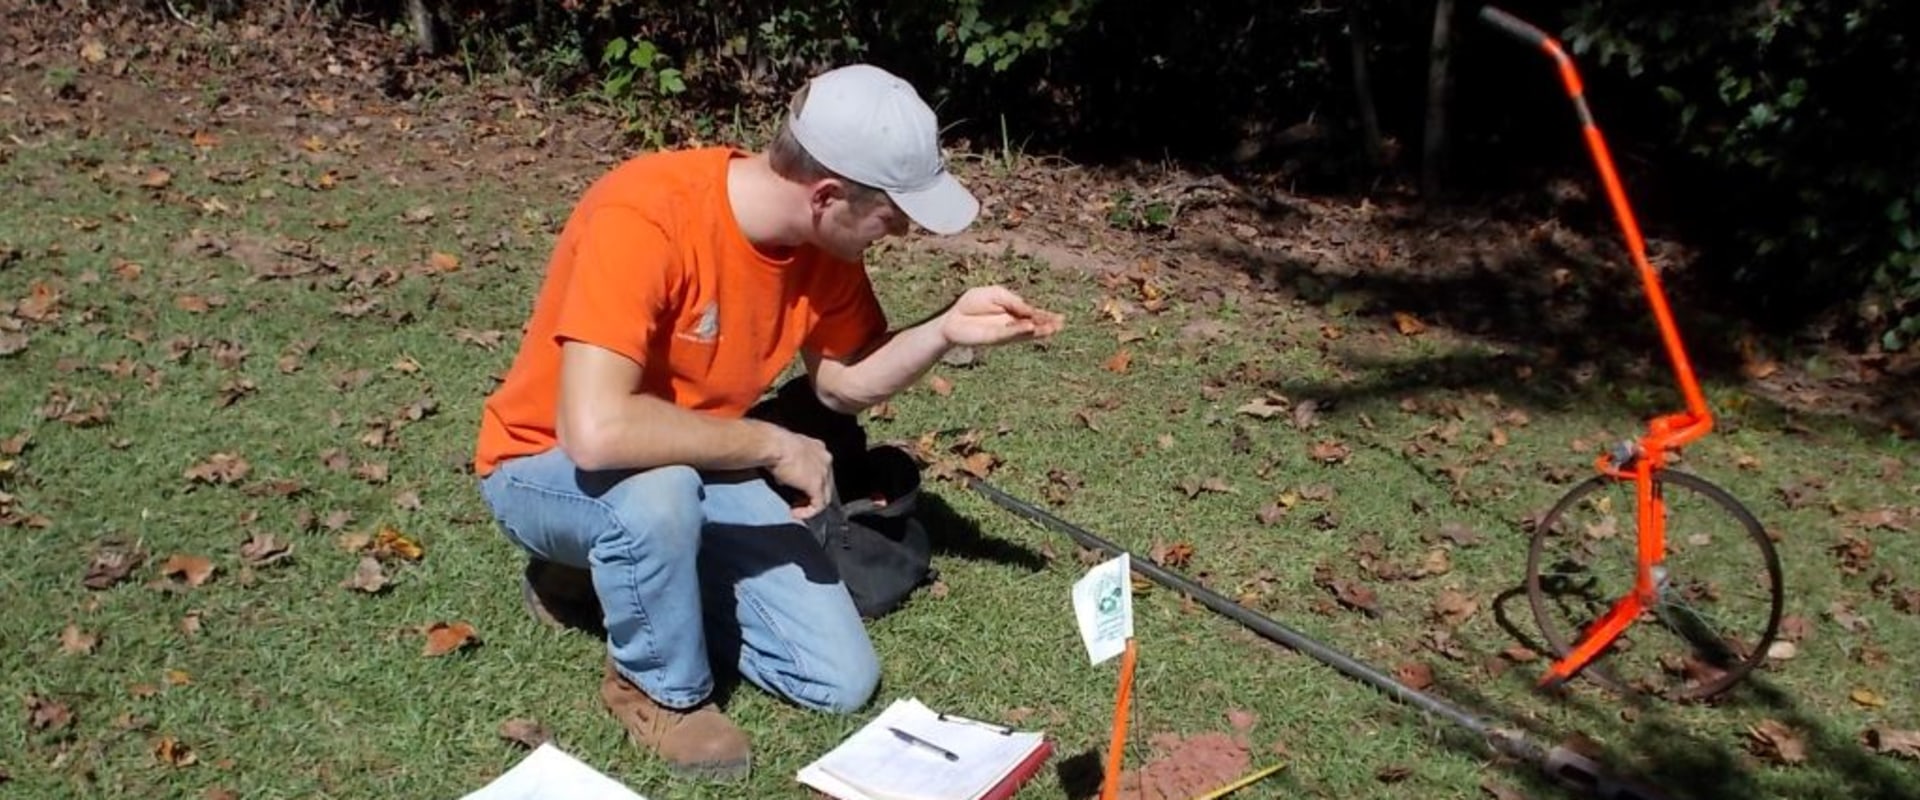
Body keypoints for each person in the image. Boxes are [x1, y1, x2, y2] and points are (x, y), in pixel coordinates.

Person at [471, 63, 1065, 782]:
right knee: (655, 499)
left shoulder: (822, 246)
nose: (903, 229)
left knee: (838, 679)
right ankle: (658, 689)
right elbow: (595, 431)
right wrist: (770, 443)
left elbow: (842, 384)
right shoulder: (647, 214)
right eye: (894, 212)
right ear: (826, 194)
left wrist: (944, 330)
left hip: (695, 467)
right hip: (549, 467)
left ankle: (612, 577)